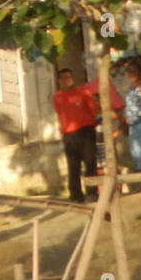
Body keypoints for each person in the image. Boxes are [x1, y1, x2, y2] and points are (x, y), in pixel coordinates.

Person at [52, 68, 99, 202]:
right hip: (69, 134)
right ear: (59, 81)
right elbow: (60, 114)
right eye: (63, 78)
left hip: (86, 130)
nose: (66, 80)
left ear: (72, 78)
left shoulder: (83, 92)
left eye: (69, 77)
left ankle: (92, 192)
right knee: (73, 165)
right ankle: (76, 194)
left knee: (90, 162)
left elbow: (92, 110)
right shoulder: (57, 96)